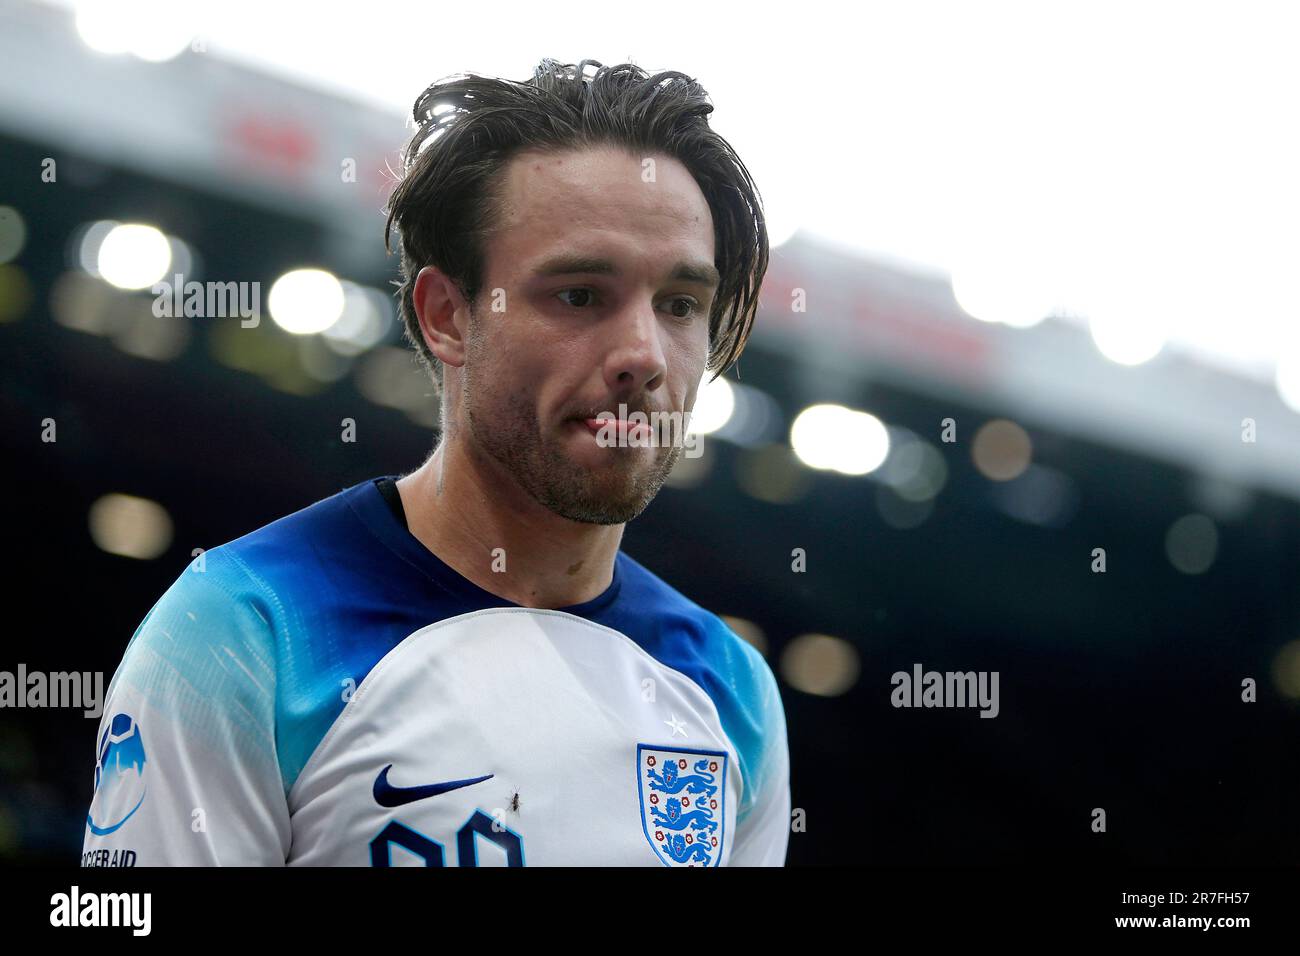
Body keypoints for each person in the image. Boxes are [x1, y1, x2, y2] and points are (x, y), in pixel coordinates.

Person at [82, 58, 788, 866]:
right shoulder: (247, 630)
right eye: (580, 294)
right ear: (448, 316)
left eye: (680, 305)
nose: (644, 354)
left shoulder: (735, 696)